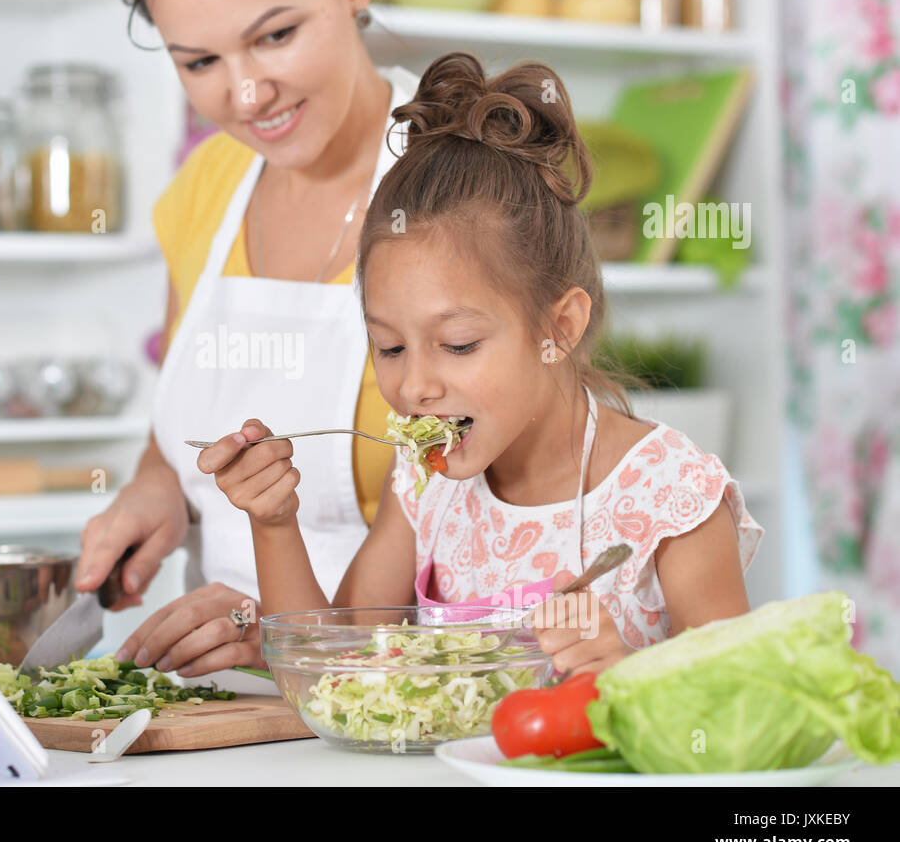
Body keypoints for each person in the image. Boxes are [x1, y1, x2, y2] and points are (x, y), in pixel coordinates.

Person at [196, 52, 765, 676]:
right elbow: (332, 674)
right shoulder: (421, 481)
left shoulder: (671, 496)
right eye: (389, 347)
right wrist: (275, 523)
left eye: (459, 344)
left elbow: (739, 713)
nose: (413, 387)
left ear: (559, 328)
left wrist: (627, 671)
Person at [74, 0, 421, 680]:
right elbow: (178, 425)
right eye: (199, 61)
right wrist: (156, 489)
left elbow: (506, 509)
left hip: (403, 706)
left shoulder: (458, 188)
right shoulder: (208, 184)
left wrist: (283, 635)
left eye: (275, 36)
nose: (245, 93)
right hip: (229, 708)